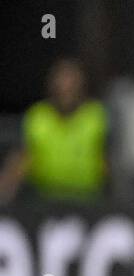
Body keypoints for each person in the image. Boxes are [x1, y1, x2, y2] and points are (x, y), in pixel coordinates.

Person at [0, 58, 107, 204]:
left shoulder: (96, 117)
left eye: (71, 86)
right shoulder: (37, 118)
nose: (65, 91)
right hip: (45, 202)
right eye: (61, 87)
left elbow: (110, 162)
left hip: (89, 201)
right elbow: (19, 161)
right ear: (51, 87)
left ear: (82, 87)